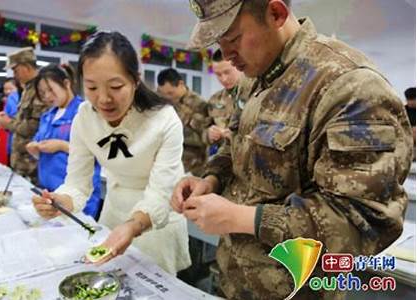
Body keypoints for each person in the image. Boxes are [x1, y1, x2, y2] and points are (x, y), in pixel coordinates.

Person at [172, 1, 414, 299]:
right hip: (235, 279)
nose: (227, 55)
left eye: (233, 38)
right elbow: (234, 145)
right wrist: (210, 180)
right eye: (218, 42)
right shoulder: (253, 78)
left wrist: (242, 218)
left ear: (276, 13)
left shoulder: (349, 86)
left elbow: (362, 223)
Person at [32, 31, 191, 274]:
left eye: (116, 86)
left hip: (158, 219)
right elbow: (77, 182)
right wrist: (61, 202)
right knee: (108, 280)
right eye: (92, 87)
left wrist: (134, 225)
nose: (103, 99)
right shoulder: (84, 118)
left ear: (136, 81)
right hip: (116, 211)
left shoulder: (163, 119)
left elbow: (161, 192)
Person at [26, 64, 102, 219]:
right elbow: (40, 145)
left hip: (76, 195)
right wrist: (34, 149)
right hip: (49, 189)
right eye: (43, 93)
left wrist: (61, 145)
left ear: (66, 84)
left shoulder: (85, 113)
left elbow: (98, 154)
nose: (47, 96)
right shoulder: (47, 116)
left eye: (51, 90)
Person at [0, 47, 50, 183]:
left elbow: (35, 126)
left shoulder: (40, 89)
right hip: (21, 161)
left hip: (32, 164)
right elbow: (24, 120)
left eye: (15, 70)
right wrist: (6, 121)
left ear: (26, 67)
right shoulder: (27, 89)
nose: (14, 74)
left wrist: (8, 123)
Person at [157, 68, 209, 175]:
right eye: (164, 94)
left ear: (181, 84)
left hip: (195, 162)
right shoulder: (166, 102)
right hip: (172, 158)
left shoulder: (199, 104)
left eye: (170, 93)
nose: (167, 97)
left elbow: (205, 134)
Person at [203, 49, 251, 155]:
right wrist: (209, 134)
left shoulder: (254, 94)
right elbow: (204, 130)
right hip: (221, 159)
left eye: (227, 72)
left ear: (237, 66)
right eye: (218, 74)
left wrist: (234, 135)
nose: (224, 79)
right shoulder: (214, 100)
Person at [0, 78, 18, 165]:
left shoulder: (16, 101)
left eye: (11, 89)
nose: (8, 92)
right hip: (2, 137)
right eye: (5, 89)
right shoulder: (2, 103)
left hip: (10, 136)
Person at [404, 87, 416, 158]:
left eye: (413, 100)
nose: (410, 102)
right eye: (408, 100)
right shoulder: (404, 110)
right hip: (408, 135)